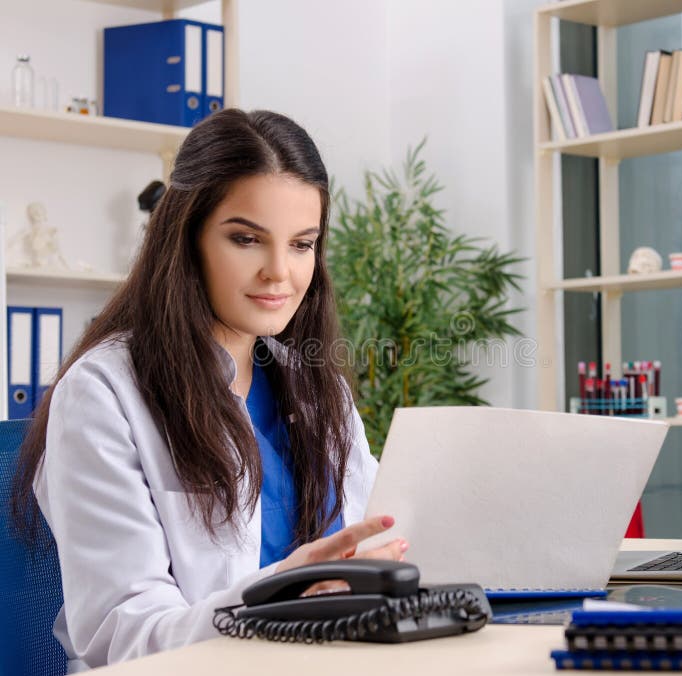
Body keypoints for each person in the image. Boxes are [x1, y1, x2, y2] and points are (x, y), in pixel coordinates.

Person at [11, 109, 407, 671]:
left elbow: (376, 547)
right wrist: (276, 600)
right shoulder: (103, 394)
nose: (280, 272)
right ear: (187, 237)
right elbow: (123, 637)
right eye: (246, 239)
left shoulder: (321, 392)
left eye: (302, 245)